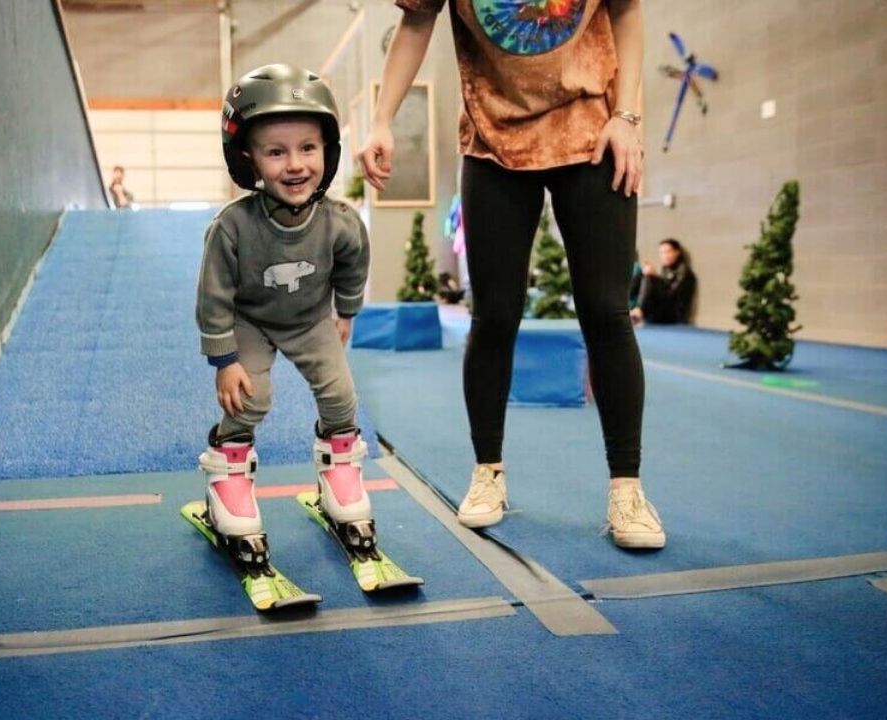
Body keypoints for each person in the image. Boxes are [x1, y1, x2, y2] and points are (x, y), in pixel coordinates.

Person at [359, 0, 665, 548]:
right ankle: (487, 472)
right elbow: (416, 21)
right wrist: (382, 119)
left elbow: (626, 11)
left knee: (606, 311)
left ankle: (627, 487)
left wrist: (628, 116)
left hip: (592, 129)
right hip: (492, 140)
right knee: (495, 315)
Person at [195, 64, 375, 561]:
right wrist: (224, 359)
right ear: (248, 159)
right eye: (276, 152)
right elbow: (213, 296)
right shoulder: (232, 227)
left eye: (308, 148)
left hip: (313, 317)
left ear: (327, 151)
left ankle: (339, 475)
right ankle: (227, 477)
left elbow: (354, 266)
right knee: (251, 399)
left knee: (341, 396)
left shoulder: (340, 223)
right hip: (249, 320)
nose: (295, 165)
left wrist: (347, 311)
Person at [631, 238, 696, 325]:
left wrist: (655, 276)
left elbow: (672, 295)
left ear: (677, 252)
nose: (665, 255)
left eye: (668, 251)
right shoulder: (665, 269)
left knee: (649, 278)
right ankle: (624, 308)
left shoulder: (684, 272)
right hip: (658, 311)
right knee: (642, 275)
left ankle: (639, 311)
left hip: (672, 315)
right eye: (662, 253)